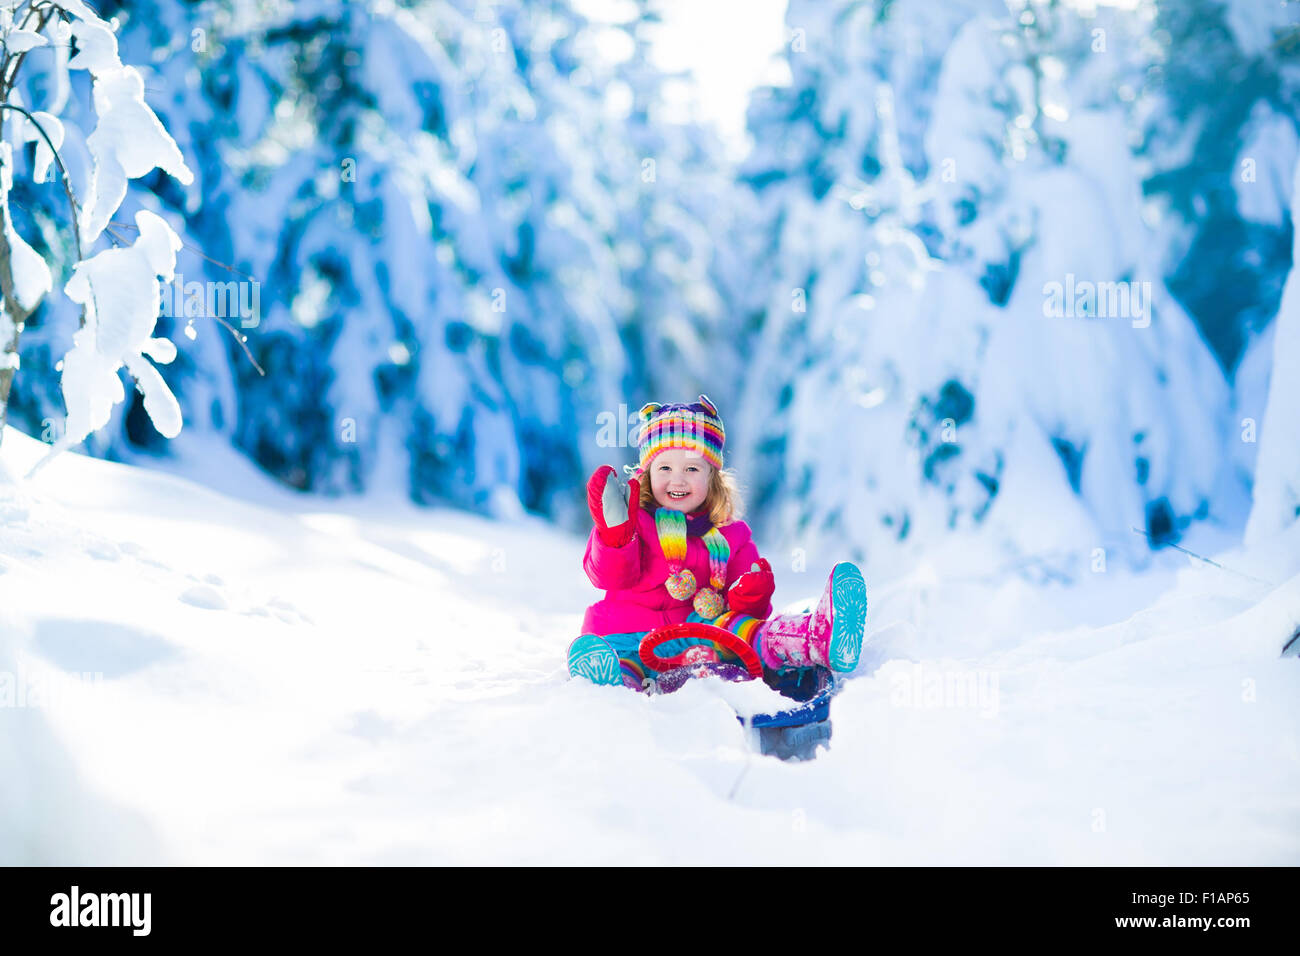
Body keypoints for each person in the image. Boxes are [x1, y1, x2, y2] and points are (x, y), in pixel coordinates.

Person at [568, 394, 867, 691]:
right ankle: (609, 682)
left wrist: (751, 596)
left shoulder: (732, 536)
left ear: (713, 477)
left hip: (702, 634)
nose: (678, 480)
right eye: (665, 468)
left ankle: (816, 639)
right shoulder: (634, 525)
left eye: (692, 469)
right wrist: (616, 538)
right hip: (627, 636)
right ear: (647, 474)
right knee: (624, 664)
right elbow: (609, 575)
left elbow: (749, 611)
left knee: (746, 630)